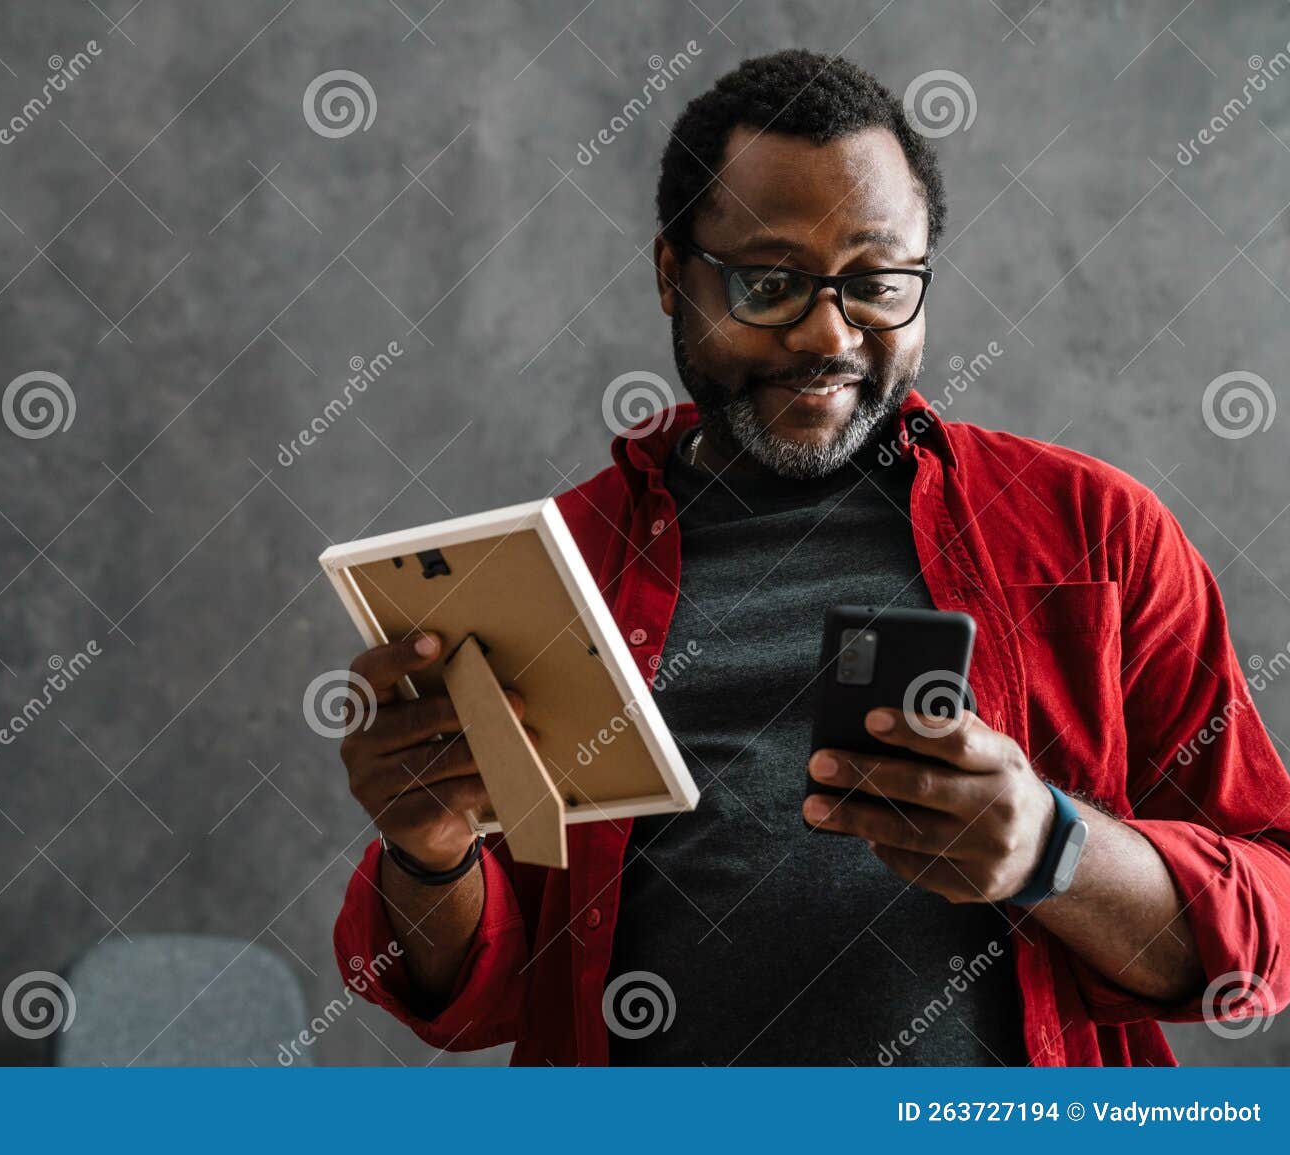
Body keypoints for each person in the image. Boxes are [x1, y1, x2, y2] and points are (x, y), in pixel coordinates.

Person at [329, 49, 1290, 1065]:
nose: (826, 333)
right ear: (672, 275)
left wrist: (1051, 846)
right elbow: (466, 999)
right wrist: (428, 853)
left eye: (876, 284)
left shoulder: (1094, 533)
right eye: (768, 282)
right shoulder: (561, 567)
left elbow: (1268, 914)